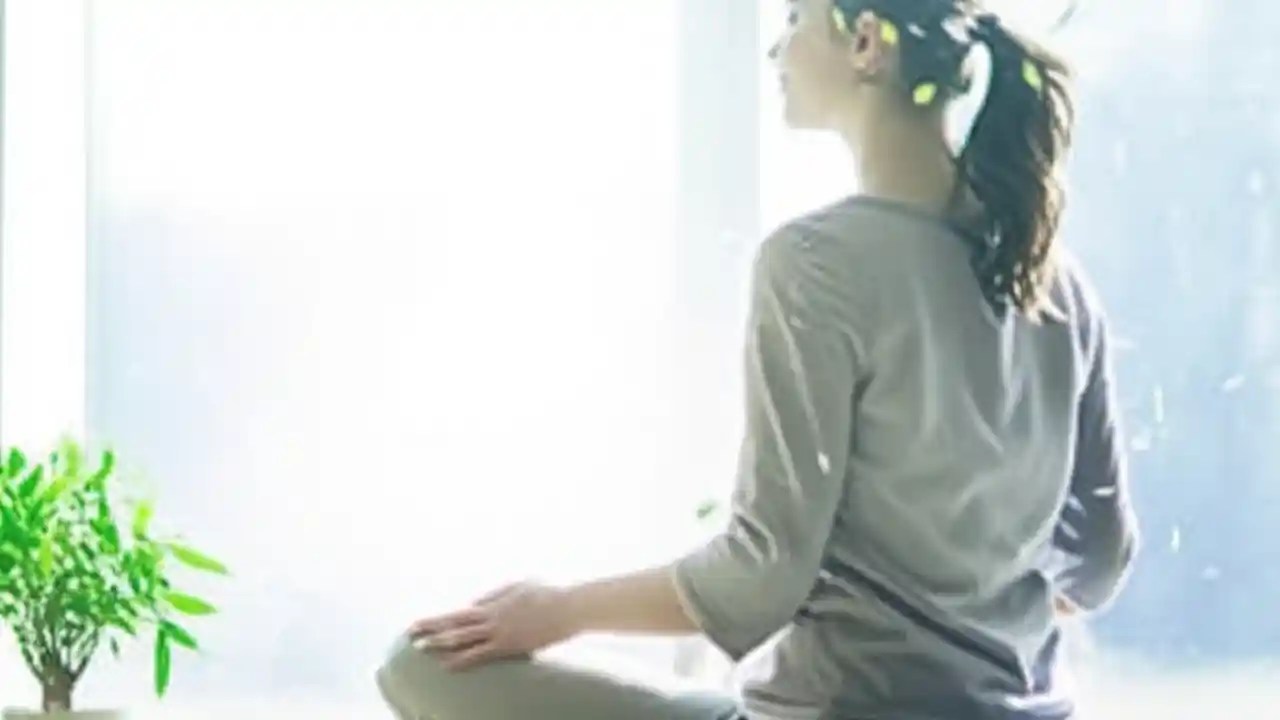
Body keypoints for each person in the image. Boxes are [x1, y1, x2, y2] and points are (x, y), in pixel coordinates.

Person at [376, 0, 1140, 717]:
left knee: (417, 664)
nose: (777, 47)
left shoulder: (816, 262)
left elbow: (761, 577)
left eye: (796, 19)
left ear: (866, 43)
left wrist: (560, 611)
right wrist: (968, 609)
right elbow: (1100, 563)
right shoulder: (1057, 283)